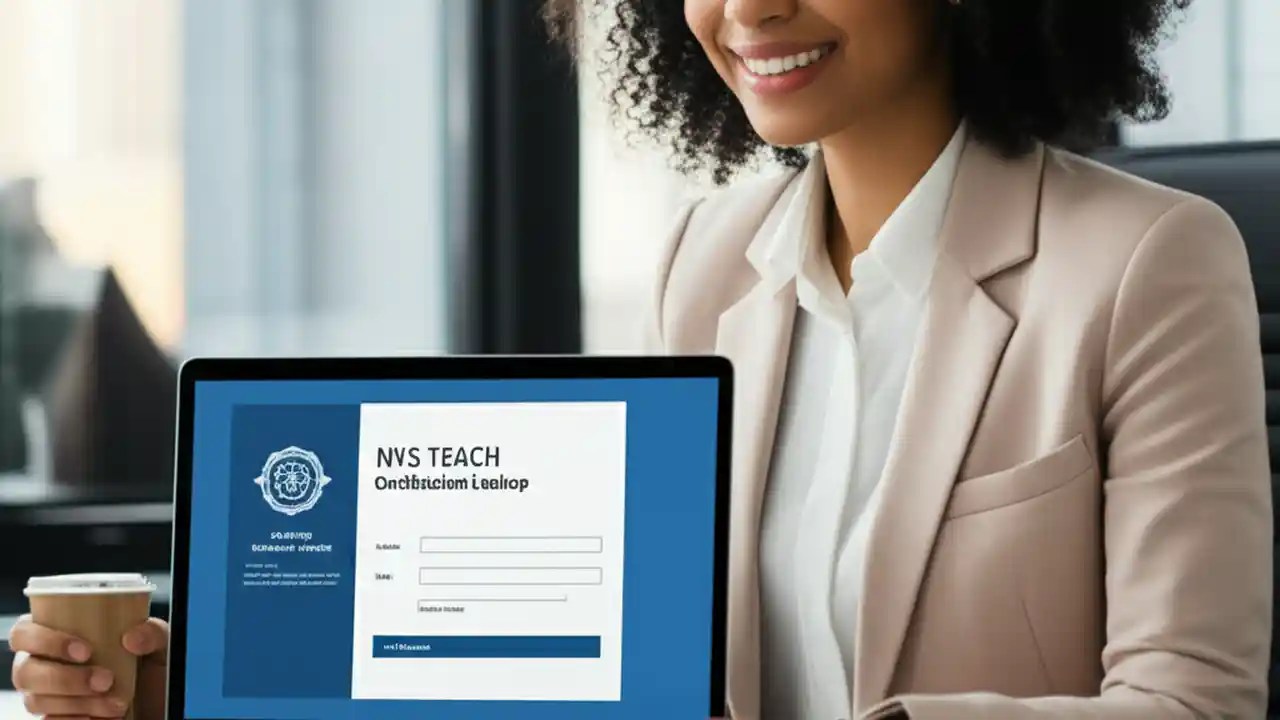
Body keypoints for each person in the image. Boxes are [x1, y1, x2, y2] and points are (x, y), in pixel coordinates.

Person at [10, 0, 1272, 719]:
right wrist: (199, 690)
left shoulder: (1146, 261)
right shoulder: (705, 261)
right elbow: (626, 661)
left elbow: (1189, 704)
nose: (746, 7)